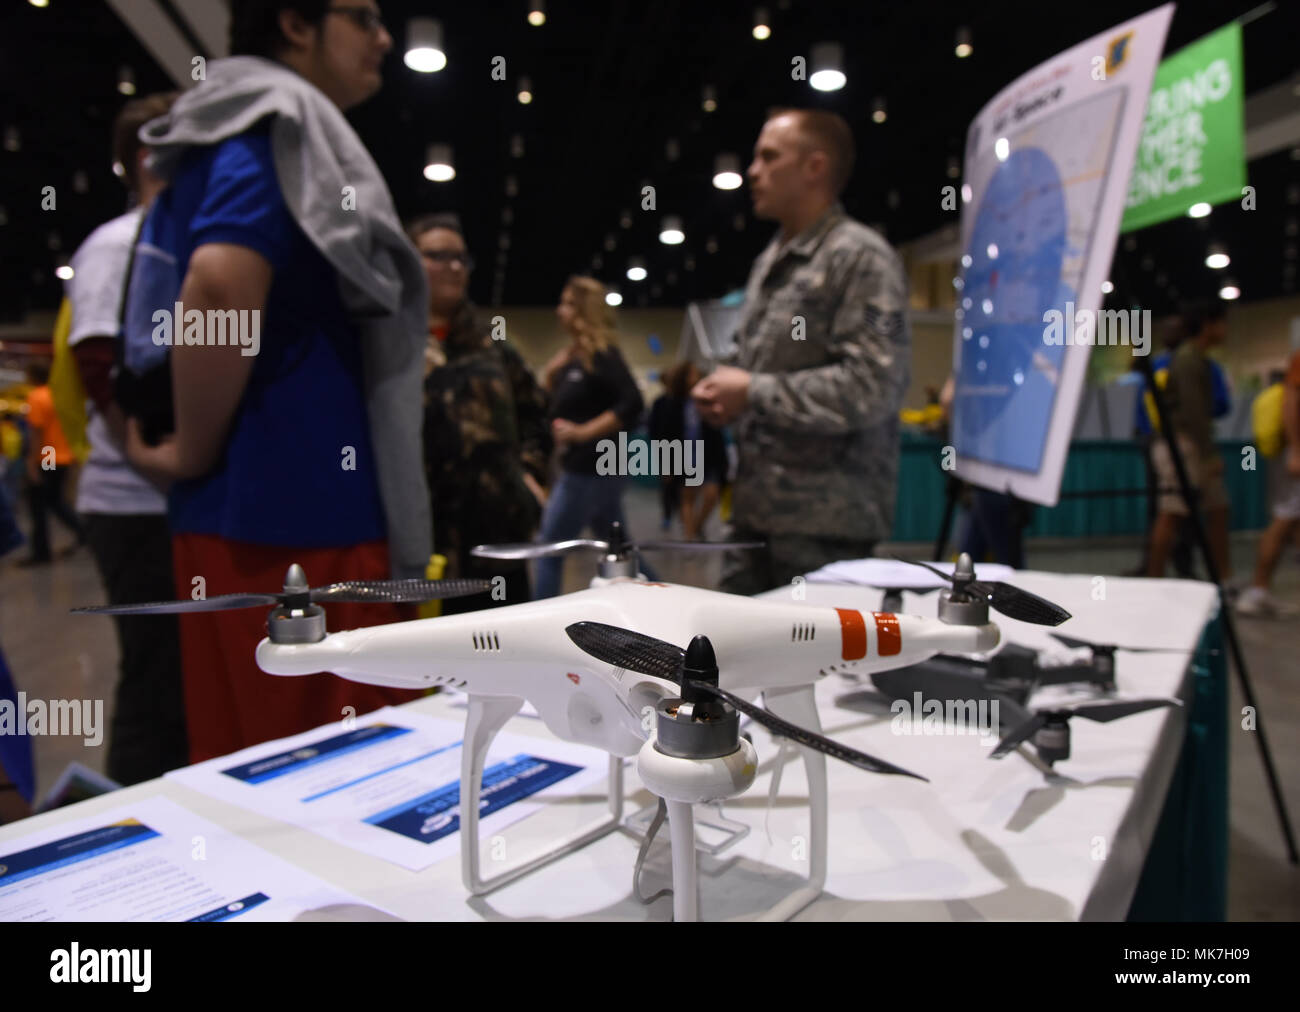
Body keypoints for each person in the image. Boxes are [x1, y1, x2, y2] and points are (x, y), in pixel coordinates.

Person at [123, 0, 432, 762]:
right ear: (295, 23)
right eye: (363, 16)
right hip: (297, 522)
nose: (384, 37)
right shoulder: (277, 127)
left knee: (251, 774)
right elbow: (221, 285)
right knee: (347, 779)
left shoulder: (222, 132)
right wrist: (193, 451)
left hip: (246, 516)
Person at [693, 108, 910, 594]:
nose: (753, 171)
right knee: (728, 660)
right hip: (755, 512)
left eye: (769, 157)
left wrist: (753, 391)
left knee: (820, 668)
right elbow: (757, 365)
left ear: (814, 167)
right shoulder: (769, 261)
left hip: (825, 528)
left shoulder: (859, 257)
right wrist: (726, 392)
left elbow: (875, 386)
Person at [67, 93, 188, 784]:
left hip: (162, 501)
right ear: (150, 156)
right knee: (153, 681)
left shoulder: (165, 239)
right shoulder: (121, 244)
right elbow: (97, 362)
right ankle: (127, 824)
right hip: (134, 506)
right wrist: (152, 458)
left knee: (173, 678)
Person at [408, 212, 551, 610]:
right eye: (438, 255)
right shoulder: (393, 346)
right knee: (427, 661)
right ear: (409, 261)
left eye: (461, 258)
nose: (454, 267)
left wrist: (530, 478)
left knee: (502, 652)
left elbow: (536, 413)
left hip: (497, 535)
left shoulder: (492, 346)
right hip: (423, 538)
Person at [534, 276, 645, 598]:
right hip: (590, 469)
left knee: (549, 550)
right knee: (619, 549)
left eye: (568, 303)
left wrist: (583, 432)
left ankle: (540, 623)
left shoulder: (603, 355)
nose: (560, 311)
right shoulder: (575, 357)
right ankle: (660, 593)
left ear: (585, 310)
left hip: (590, 469)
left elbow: (632, 402)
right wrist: (553, 375)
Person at [1146, 301, 1231, 581]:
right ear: (1208, 324)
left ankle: (1224, 579)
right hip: (1182, 446)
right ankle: (1154, 580)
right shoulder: (1187, 359)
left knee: (1217, 509)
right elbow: (1195, 411)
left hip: (1190, 445)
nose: (1225, 329)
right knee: (1172, 513)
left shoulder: (1196, 358)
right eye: (1222, 322)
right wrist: (1208, 455)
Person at [1237, 349, 1300, 616]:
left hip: (1292, 451)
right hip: (1294, 452)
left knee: (1291, 520)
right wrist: (1296, 450)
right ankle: (1257, 592)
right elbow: (1291, 399)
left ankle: (1258, 592)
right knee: (1285, 518)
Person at [18, 360, 85, 566]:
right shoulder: (57, 395)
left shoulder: (37, 397)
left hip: (47, 458)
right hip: (62, 456)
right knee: (54, 501)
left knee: (39, 503)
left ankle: (41, 552)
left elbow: (37, 433)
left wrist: (31, 464)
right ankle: (83, 531)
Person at [648, 361, 725, 540]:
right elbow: (662, 435)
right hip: (683, 458)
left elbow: (717, 431)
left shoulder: (708, 401)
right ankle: (689, 537)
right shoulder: (669, 404)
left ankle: (697, 526)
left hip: (707, 457)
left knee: (711, 494)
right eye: (691, 374)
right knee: (687, 498)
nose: (695, 377)